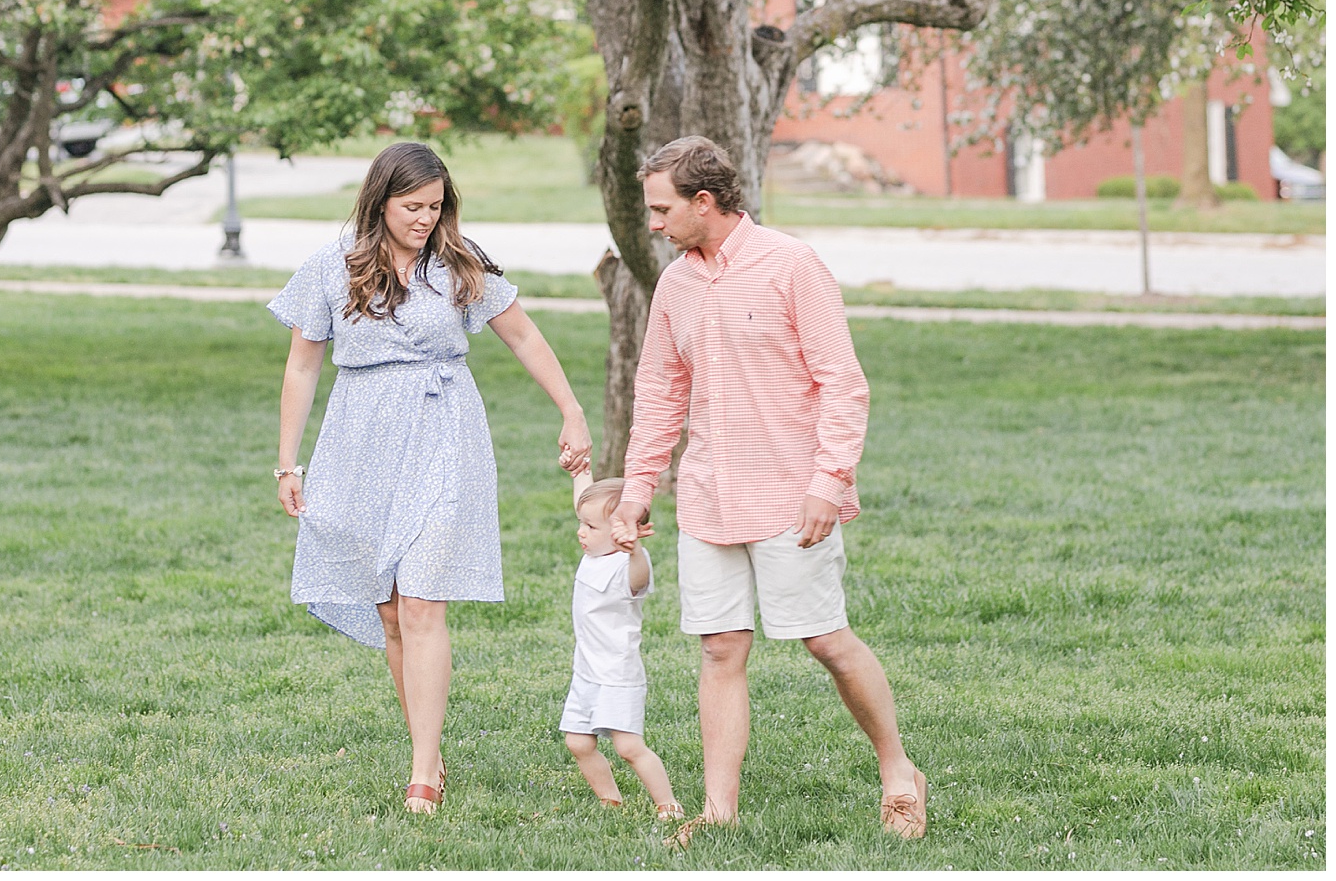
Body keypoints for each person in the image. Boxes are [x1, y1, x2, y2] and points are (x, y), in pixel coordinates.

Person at [607, 136, 927, 844]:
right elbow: (660, 389)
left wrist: (828, 479)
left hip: (791, 492)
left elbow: (842, 382)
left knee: (826, 640)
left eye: (663, 210)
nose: (654, 224)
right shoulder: (676, 285)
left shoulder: (792, 265)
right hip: (707, 496)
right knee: (720, 647)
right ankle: (719, 808)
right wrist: (638, 488)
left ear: (704, 201)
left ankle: (899, 770)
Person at [269, 140, 593, 815]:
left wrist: (571, 410)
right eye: (412, 206)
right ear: (380, 200)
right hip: (360, 436)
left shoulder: (458, 261)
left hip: (445, 427)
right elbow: (302, 367)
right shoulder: (333, 266)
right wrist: (287, 461)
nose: (425, 217)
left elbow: (525, 336)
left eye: (435, 206)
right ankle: (428, 744)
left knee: (422, 600)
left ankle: (422, 772)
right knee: (389, 607)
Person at [561, 477, 684, 822]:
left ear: (620, 532)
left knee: (629, 747)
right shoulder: (595, 552)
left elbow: (639, 579)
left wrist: (636, 552)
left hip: (617, 675)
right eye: (580, 524)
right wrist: (579, 473)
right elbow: (584, 503)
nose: (581, 532)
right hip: (586, 673)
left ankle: (668, 805)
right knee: (578, 743)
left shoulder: (625, 566)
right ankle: (610, 800)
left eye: (590, 526)